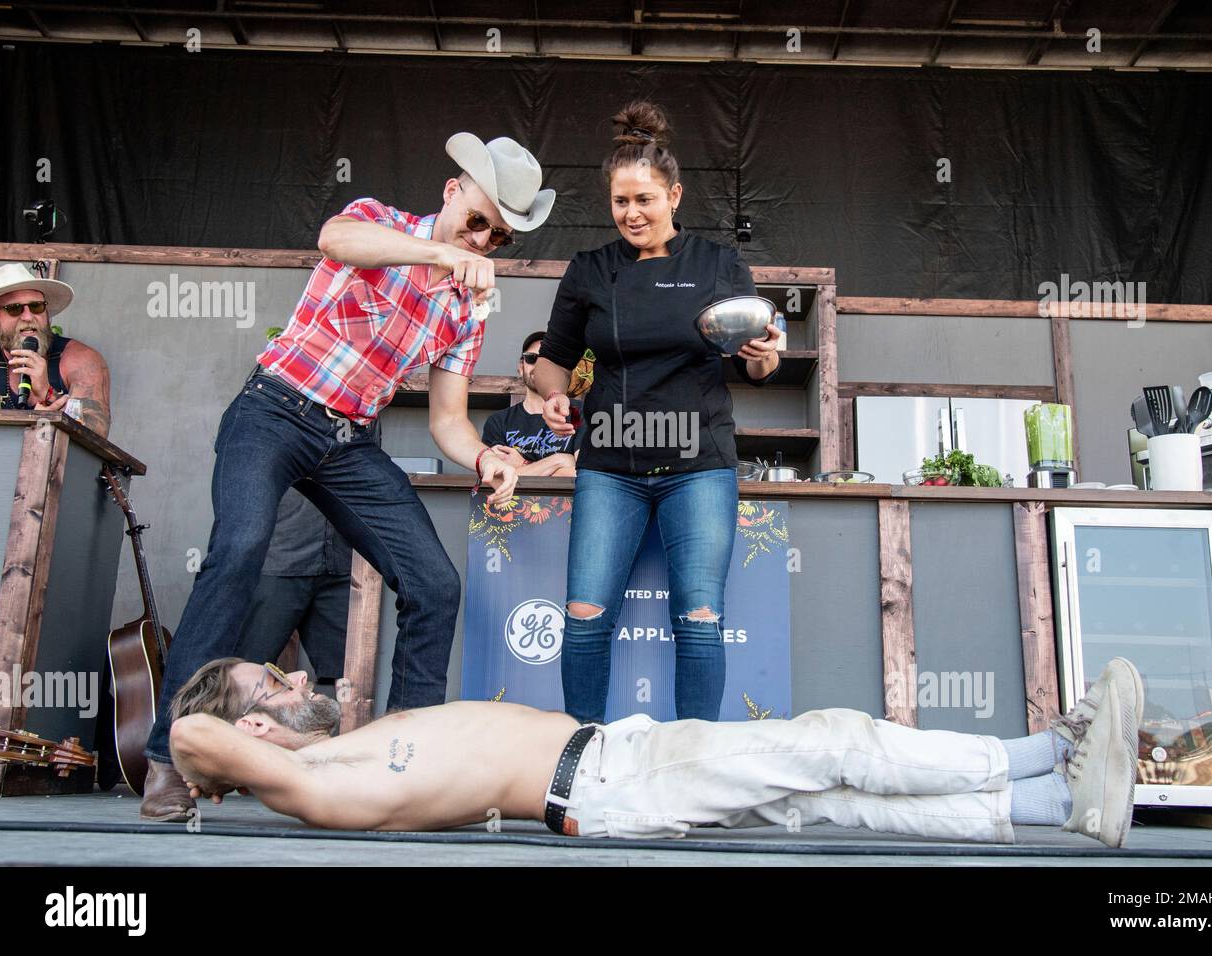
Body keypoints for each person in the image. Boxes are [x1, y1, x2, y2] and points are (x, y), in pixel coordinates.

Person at [139, 133, 554, 822]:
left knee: (435, 583)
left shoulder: (463, 310)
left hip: (346, 442)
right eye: (477, 221)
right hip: (273, 409)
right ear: (451, 193)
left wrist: (487, 457)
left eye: (498, 238)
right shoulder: (381, 222)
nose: (482, 241)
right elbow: (337, 240)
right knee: (239, 550)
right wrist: (442, 252)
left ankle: (405, 762)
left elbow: (448, 421)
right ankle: (167, 756)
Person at [168, 656, 1145, 849]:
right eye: (273, 679)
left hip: (613, 764)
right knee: (831, 744)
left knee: (833, 801)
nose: (295, 677)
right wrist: (192, 746)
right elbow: (190, 732)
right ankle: (1046, 751)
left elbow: (254, 738)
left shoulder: (330, 753)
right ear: (251, 730)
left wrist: (278, 726)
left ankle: (1057, 805)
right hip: (604, 777)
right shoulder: (311, 784)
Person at [530, 101, 783, 724]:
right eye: (621, 202)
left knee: (699, 618)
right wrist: (554, 393)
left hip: (698, 464)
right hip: (609, 465)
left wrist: (766, 350)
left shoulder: (718, 265)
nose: (632, 214)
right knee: (585, 616)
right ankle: (580, 756)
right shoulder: (589, 270)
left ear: (675, 195)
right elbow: (552, 360)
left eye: (644, 200)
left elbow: (758, 362)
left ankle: (690, 766)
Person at [234, 486, 353, 695]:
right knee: (247, 671)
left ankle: (343, 728)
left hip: (340, 559)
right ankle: (232, 727)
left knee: (349, 678)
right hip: (279, 558)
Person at [0, 262, 112, 435]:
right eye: (14, 309)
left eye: (36, 306)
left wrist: (48, 394)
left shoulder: (81, 359)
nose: (28, 317)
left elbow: (98, 432)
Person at [481, 330, 581, 477]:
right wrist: (559, 460)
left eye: (549, 361)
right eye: (532, 358)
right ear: (521, 367)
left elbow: (584, 475)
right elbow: (497, 477)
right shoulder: (499, 422)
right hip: (514, 501)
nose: (539, 367)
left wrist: (521, 467)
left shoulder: (580, 413)